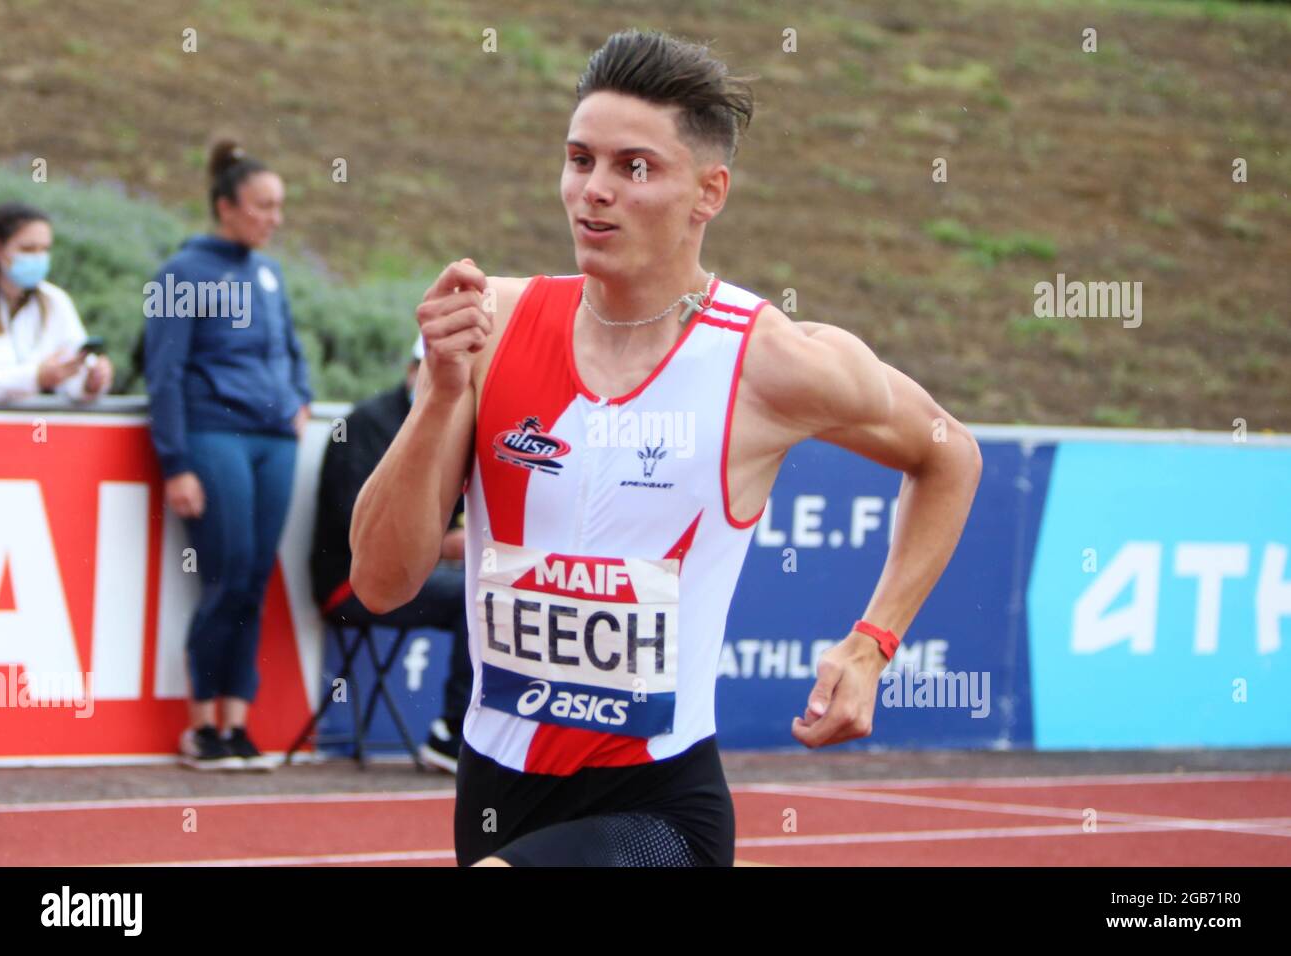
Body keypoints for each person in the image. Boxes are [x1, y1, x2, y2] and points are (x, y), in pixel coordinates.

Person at [350, 31, 982, 866]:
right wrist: (437, 393)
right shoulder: (494, 328)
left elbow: (949, 454)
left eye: (633, 168)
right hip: (494, 788)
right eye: (580, 160)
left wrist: (873, 644)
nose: (594, 192)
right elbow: (381, 583)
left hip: (656, 810)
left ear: (708, 192)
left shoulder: (768, 361)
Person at [144, 138, 313, 771]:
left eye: (279, 206)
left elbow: (291, 350)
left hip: (274, 442)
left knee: (253, 577)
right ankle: (201, 726)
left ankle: (238, 722)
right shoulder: (180, 273)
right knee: (227, 570)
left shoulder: (269, 274)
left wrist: (301, 398)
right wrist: (175, 462)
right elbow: (163, 373)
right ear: (226, 206)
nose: (275, 218)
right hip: (215, 437)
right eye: (263, 206)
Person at [310, 334, 472, 771]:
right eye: (428, 365)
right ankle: (454, 734)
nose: (436, 376)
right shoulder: (365, 423)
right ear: (411, 369)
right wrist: (442, 545)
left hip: (410, 574)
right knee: (472, 598)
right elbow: (353, 527)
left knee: (491, 591)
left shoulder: (456, 421)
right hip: (350, 583)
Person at [0, 202, 114, 404]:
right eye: (28, 249)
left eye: (44, 249)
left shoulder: (55, 301)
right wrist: (35, 377)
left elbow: (73, 367)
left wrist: (91, 381)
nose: (38, 257)